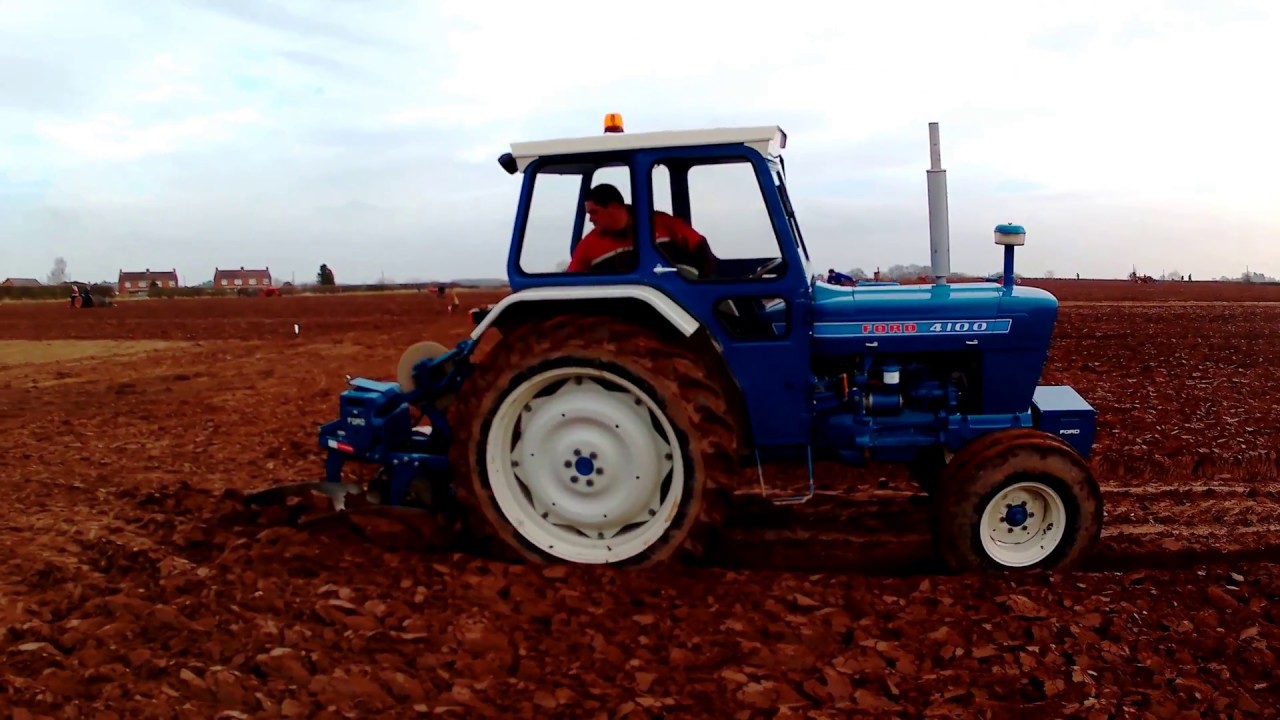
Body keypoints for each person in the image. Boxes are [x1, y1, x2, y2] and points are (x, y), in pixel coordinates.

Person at [567, 183, 714, 275]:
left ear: (614, 207)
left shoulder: (663, 223)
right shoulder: (587, 245)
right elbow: (571, 283)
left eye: (594, 212)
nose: (590, 219)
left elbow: (699, 246)